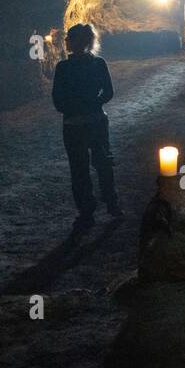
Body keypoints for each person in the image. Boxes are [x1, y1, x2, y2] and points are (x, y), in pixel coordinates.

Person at [51, 22, 121, 229]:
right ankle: (110, 203)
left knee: (81, 169)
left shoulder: (64, 68)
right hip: (95, 121)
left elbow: (58, 99)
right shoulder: (97, 64)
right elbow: (108, 92)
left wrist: (74, 108)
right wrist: (92, 104)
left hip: (76, 124)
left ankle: (88, 210)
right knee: (103, 163)